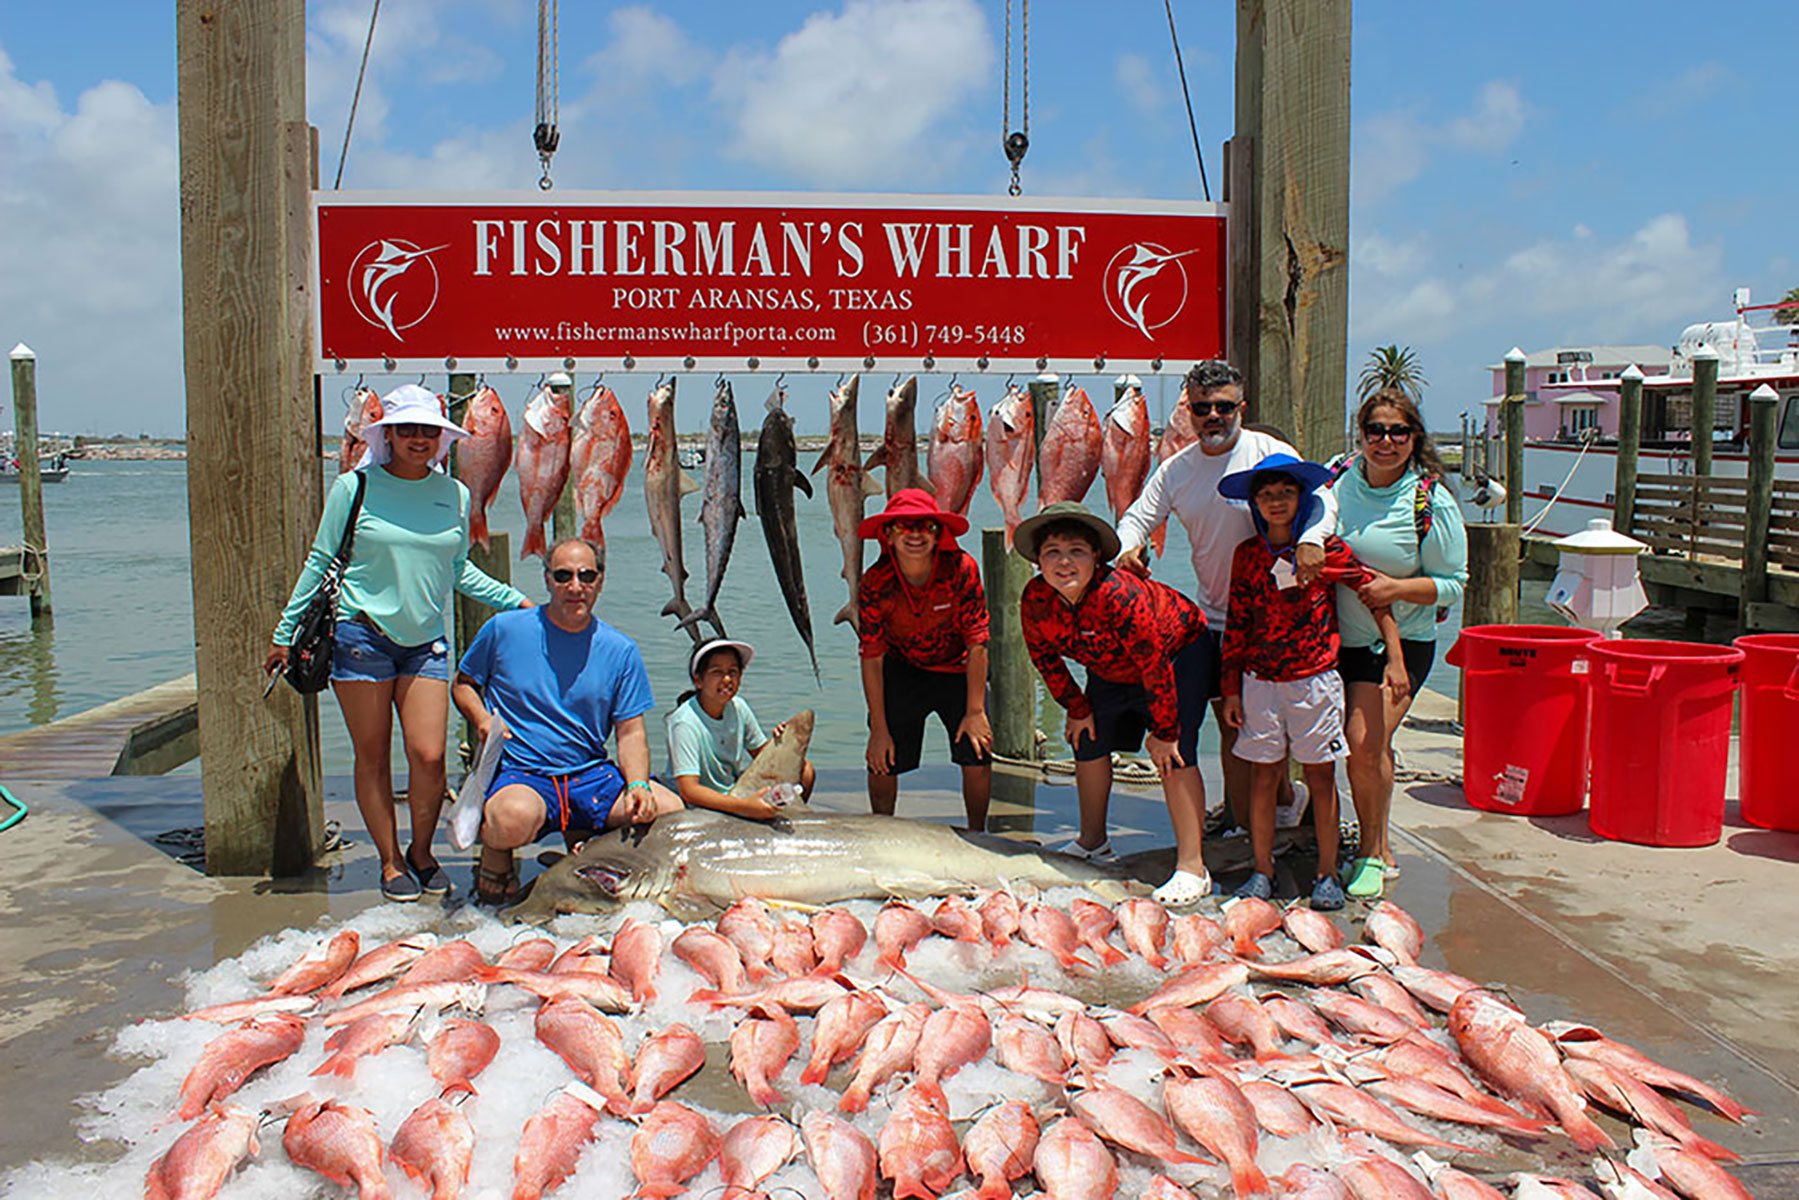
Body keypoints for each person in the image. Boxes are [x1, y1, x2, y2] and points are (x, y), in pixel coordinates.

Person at [267, 384, 530, 902]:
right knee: (373, 758)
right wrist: (283, 633)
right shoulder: (353, 487)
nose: (417, 439)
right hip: (359, 636)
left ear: (441, 438)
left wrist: (518, 601)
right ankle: (390, 862)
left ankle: (423, 851)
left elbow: (458, 571)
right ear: (386, 434)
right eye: (405, 429)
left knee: (429, 756)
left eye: (427, 430)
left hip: (425, 644)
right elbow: (320, 561)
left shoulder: (453, 494)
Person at [1114, 360, 1338, 830]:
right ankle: (1245, 822)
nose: (1212, 415)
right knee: (1234, 727)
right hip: (1217, 621)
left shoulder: (1270, 451)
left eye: (1223, 406)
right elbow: (1136, 517)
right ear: (1188, 412)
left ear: (1242, 407)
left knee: (1280, 736)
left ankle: (1278, 812)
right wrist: (1128, 546)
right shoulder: (1177, 470)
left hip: (1282, 626)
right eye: (1202, 408)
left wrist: (1313, 539)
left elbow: (1323, 500)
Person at [1216, 453, 1408, 911]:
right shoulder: (1247, 555)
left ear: (1302, 498)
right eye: (1266, 495)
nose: (1276, 502)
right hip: (1260, 681)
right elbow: (1236, 624)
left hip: (1316, 682)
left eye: (1285, 493)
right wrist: (1230, 688)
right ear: (1254, 503)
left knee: (1321, 779)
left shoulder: (1328, 551)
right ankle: (1261, 870)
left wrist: (1396, 656)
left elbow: (1373, 595)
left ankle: (1325, 872)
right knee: (1263, 778)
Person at [452, 536, 684, 905]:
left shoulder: (621, 650)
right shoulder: (504, 629)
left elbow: (631, 732)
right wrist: (480, 718)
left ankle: (592, 853)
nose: (575, 587)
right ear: (546, 580)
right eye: (563, 576)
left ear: (600, 581)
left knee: (670, 811)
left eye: (585, 576)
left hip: (589, 773)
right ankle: (496, 852)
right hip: (523, 772)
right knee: (509, 818)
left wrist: (638, 783)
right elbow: (464, 685)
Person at [1016, 502, 1217, 907]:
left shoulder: (1119, 595)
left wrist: (1163, 732)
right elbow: (1044, 657)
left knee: (1175, 754)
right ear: (1038, 562)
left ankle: (1193, 866)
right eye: (1052, 552)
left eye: (1076, 551)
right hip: (1110, 667)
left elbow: (1154, 666)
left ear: (1096, 557)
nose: (1064, 561)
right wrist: (1076, 706)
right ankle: (1093, 842)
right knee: (1086, 739)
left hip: (1178, 655)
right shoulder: (1035, 599)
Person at [1333, 388, 1469, 898]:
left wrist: (1394, 588)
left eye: (1398, 431)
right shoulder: (1338, 481)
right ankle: (1380, 845)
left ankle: (1370, 851)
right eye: (1376, 430)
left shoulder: (1430, 502)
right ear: (1361, 435)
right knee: (1363, 747)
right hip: (1336, 642)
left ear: (1415, 438)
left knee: (1364, 744)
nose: (1385, 441)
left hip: (1401, 644)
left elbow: (1455, 581)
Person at [858, 488, 995, 830]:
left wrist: (975, 712)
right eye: (904, 527)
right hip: (902, 669)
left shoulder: (962, 569)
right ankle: (881, 831)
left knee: (977, 749)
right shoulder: (875, 581)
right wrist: (878, 726)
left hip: (958, 669)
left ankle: (978, 832)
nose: (915, 534)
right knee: (882, 756)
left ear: (939, 534)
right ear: (887, 535)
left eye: (925, 526)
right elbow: (872, 656)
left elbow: (978, 641)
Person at [666, 637, 816, 818]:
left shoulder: (738, 708)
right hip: (694, 805)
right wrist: (743, 806)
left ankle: (793, 819)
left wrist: (779, 742)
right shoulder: (685, 722)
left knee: (805, 770)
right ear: (698, 680)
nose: (727, 679)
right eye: (717, 672)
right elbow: (689, 790)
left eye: (733, 672)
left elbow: (761, 756)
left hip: (733, 790)